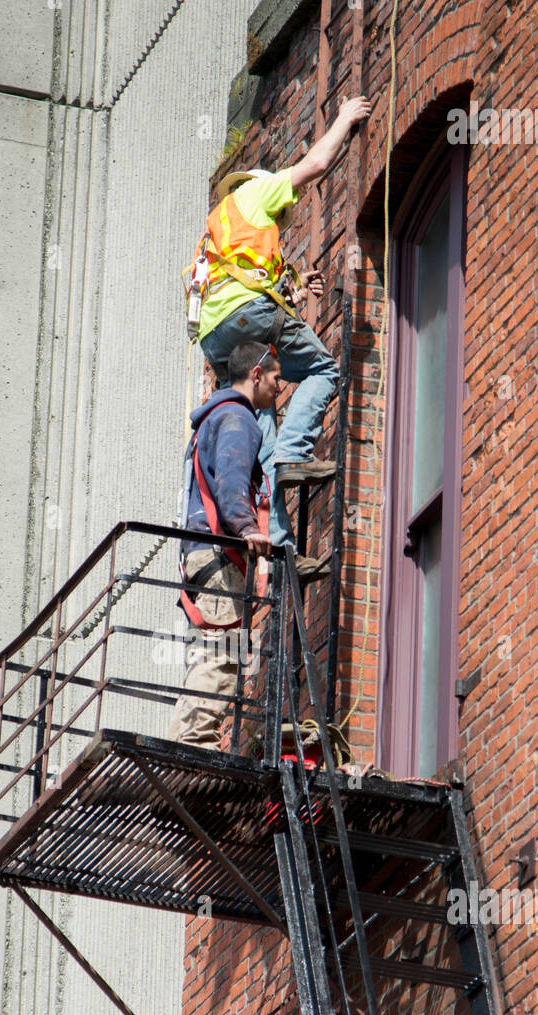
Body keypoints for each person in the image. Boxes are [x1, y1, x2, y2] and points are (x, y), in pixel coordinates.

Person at [193, 95, 372, 576]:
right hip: (245, 317)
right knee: (323, 368)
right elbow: (315, 162)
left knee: (261, 424)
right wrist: (344, 119)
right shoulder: (260, 191)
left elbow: (249, 283)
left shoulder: (220, 230)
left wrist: (294, 290)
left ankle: (281, 546)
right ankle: (296, 454)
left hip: (216, 340)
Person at [169, 341, 280, 749]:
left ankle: (183, 740)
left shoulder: (212, 419)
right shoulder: (238, 418)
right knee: (222, 651)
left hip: (199, 554)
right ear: (255, 374)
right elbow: (232, 480)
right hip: (218, 553)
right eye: (274, 378)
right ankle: (195, 743)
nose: (278, 388)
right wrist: (247, 528)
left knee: (208, 651)